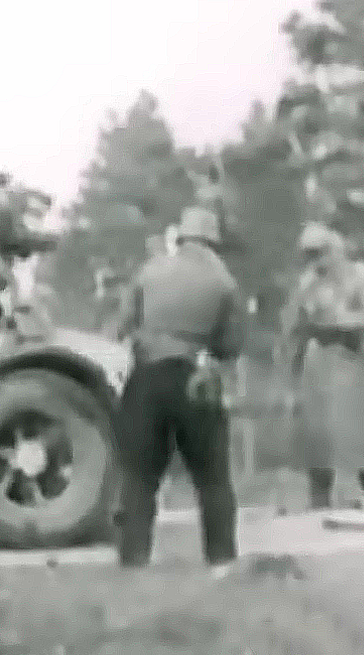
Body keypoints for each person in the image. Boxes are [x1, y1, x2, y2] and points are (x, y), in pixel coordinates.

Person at [112, 206, 246, 577]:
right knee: (212, 477)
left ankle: (134, 560)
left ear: (181, 237)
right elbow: (231, 344)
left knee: (140, 476)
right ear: (213, 240)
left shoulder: (150, 270)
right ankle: (220, 561)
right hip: (195, 377)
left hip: (148, 375)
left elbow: (124, 323)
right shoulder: (224, 281)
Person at [281, 222, 364, 510]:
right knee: (317, 436)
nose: (317, 260)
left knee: (357, 433)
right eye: (310, 254)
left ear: (335, 249)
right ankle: (319, 499)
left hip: (353, 362)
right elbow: (294, 330)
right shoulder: (307, 283)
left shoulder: (360, 277)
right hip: (317, 365)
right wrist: (291, 379)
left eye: (321, 252)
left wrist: (340, 321)